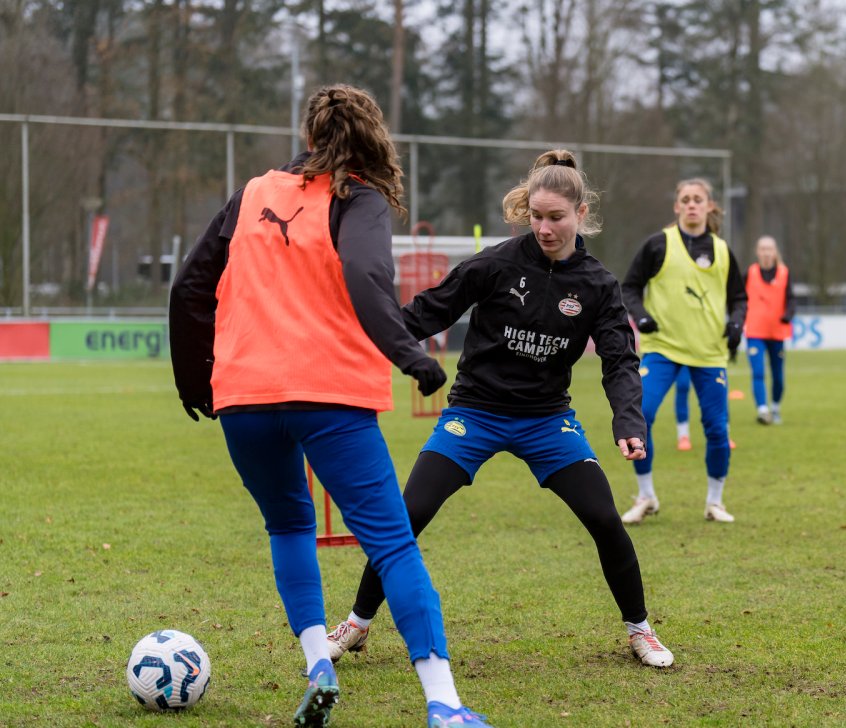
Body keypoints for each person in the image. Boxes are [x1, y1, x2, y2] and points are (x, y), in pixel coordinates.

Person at [169, 84, 490, 728]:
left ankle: (319, 662)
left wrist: (197, 381)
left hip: (245, 400)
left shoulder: (253, 193)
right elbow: (368, 278)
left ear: (310, 139)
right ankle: (444, 704)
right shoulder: (360, 198)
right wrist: (413, 356)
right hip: (329, 396)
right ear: (371, 141)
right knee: (394, 546)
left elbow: (188, 288)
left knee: (288, 526)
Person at [325, 149, 675, 671]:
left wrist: (628, 420)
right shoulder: (496, 263)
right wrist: (365, 336)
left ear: (581, 213)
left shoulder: (598, 286)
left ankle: (640, 630)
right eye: (536, 216)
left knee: (604, 517)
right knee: (410, 512)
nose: (545, 227)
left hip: (548, 421)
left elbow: (620, 361)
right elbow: (429, 310)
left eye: (556, 217)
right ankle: (357, 624)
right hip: (475, 413)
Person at [620, 178, 747, 525]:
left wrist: (736, 324)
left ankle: (714, 502)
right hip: (663, 348)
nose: (692, 205)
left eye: (698, 199)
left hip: (708, 353)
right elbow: (630, 286)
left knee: (717, 428)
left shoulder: (722, 251)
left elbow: (739, 297)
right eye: (685, 200)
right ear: (677, 207)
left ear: (709, 206)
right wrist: (642, 316)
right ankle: (646, 495)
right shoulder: (658, 244)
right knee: (641, 417)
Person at [744, 235, 797, 425]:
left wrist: (788, 314)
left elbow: (791, 299)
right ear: (757, 252)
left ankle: (775, 407)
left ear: (775, 252)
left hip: (777, 332)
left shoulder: (784, 273)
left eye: (769, 249)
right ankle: (762, 409)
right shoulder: (750, 273)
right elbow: (739, 298)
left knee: (778, 377)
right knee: (758, 371)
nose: (766, 252)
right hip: (755, 332)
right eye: (763, 248)